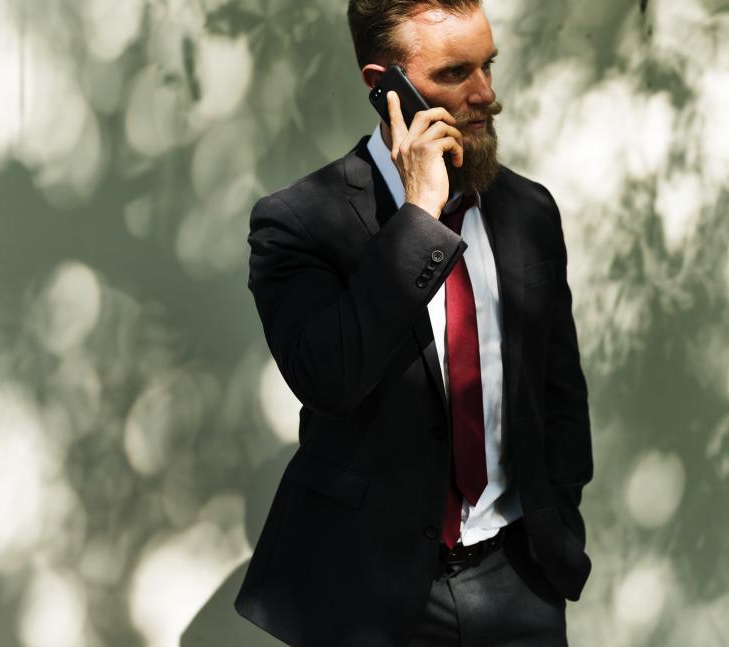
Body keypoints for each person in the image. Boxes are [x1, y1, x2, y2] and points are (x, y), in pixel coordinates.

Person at [234, 1, 593, 645]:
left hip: (519, 580)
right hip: (369, 593)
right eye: (456, 72)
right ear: (382, 85)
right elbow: (331, 377)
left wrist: (559, 525)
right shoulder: (296, 222)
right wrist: (419, 220)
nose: (486, 94)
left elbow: (559, 388)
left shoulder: (530, 211)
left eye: (488, 65)